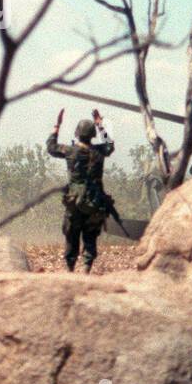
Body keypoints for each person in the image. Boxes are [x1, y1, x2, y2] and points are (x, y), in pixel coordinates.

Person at [46, 108, 115, 273]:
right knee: (90, 236)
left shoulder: (70, 151)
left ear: (77, 134)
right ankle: (86, 267)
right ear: (92, 135)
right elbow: (110, 146)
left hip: (74, 201)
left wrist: (57, 125)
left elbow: (51, 146)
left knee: (72, 235)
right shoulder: (99, 152)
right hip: (94, 202)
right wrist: (100, 125)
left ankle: (70, 268)